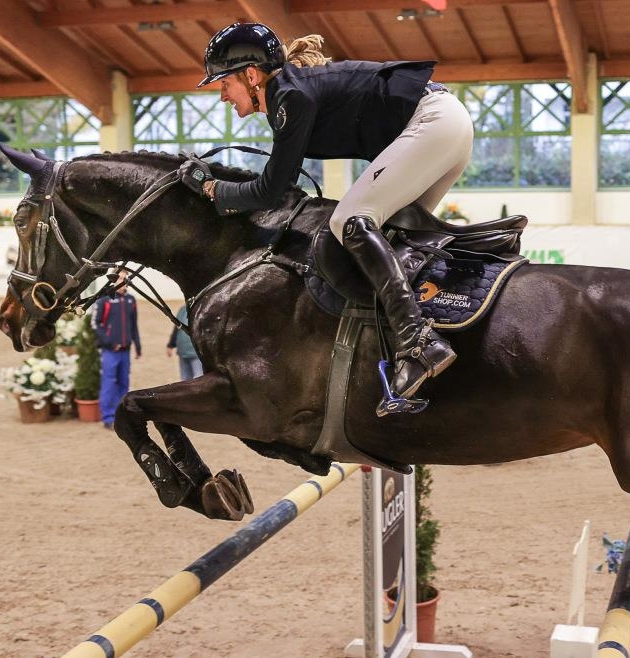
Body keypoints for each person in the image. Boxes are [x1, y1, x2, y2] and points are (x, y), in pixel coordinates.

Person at [178, 23, 474, 415]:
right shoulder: (290, 95)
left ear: (251, 75)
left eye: (224, 83)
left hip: (434, 122)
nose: (221, 96)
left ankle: (418, 343)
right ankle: (421, 345)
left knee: (348, 220)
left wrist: (214, 190)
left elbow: (270, 190)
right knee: (393, 238)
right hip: (445, 126)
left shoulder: (289, 96)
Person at [91, 272, 142, 429]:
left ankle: (122, 416)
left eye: (125, 279)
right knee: (109, 384)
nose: (124, 281)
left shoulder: (130, 300)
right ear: (112, 280)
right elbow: (95, 324)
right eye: (120, 278)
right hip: (110, 352)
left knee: (124, 384)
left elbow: (133, 325)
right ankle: (108, 418)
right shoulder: (103, 300)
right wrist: (110, 342)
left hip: (125, 351)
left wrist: (137, 346)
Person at [167, 305, 203, 381]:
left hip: (196, 354)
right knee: (185, 380)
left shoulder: (201, 308)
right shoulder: (182, 309)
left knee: (198, 379)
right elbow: (176, 329)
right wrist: (170, 345)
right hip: (183, 352)